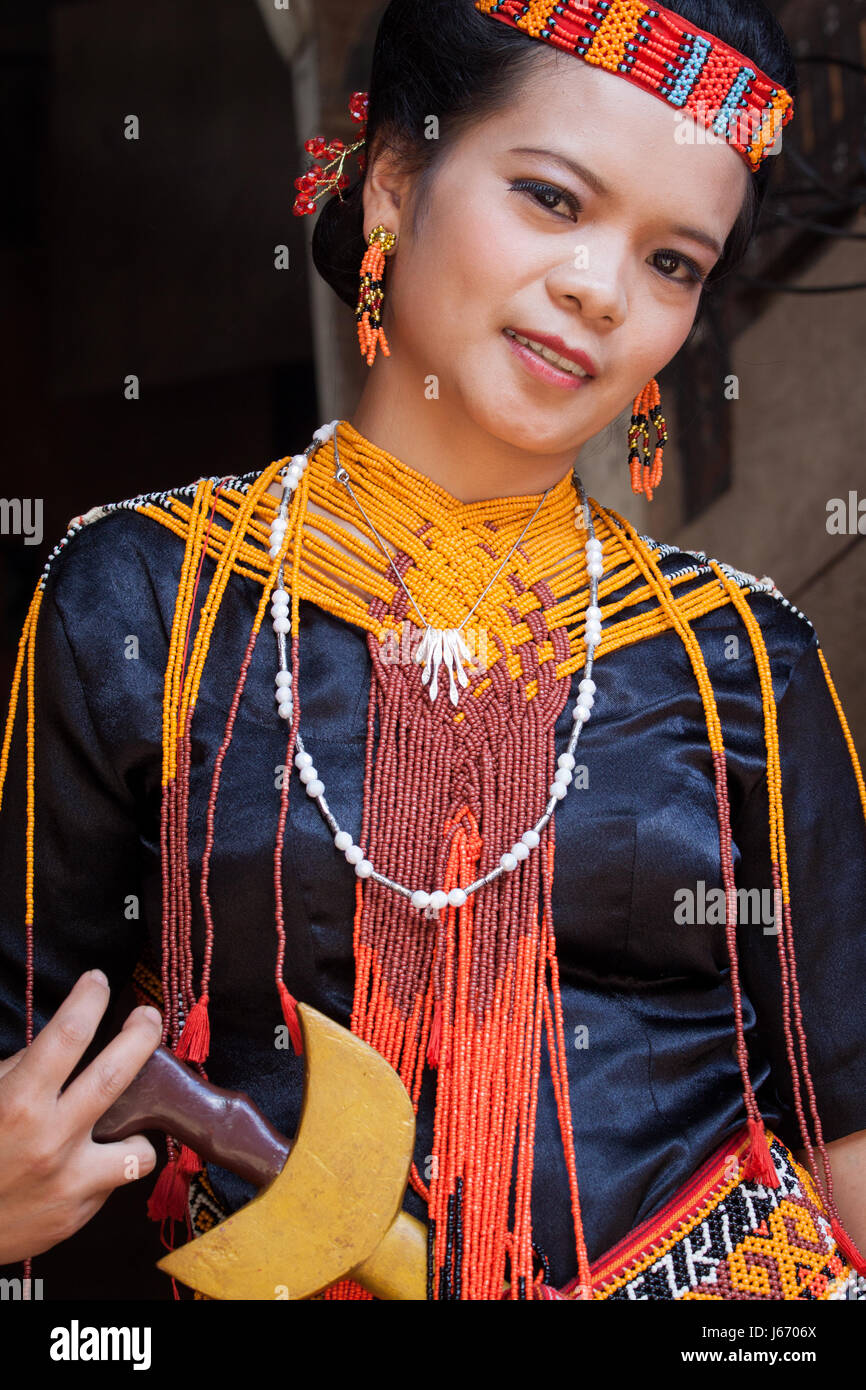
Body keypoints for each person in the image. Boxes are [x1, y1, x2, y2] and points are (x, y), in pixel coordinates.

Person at [1, 0, 865, 1301]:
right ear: (396, 180)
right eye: (550, 197)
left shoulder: (741, 656)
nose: (600, 289)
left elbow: (845, 1118)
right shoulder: (147, 601)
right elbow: (27, 1065)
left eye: (672, 261)